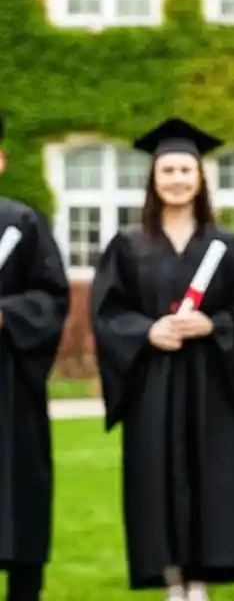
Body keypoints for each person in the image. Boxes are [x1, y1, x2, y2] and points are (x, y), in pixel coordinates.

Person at [90, 118, 234, 600]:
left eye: (185, 170)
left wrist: (213, 325)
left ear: (199, 178)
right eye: (167, 170)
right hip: (153, 381)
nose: (176, 179)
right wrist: (146, 330)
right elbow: (107, 314)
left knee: (208, 475)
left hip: (209, 380)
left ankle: (200, 580)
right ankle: (172, 579)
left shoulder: (228, 248)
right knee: (157, 477)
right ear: (153, 179)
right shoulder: (127, 247)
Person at [0, 115, 70, 601]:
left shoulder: (21, 223)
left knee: (18, 494)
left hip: (10, 388)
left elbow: (51, 295)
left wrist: (6, 315)